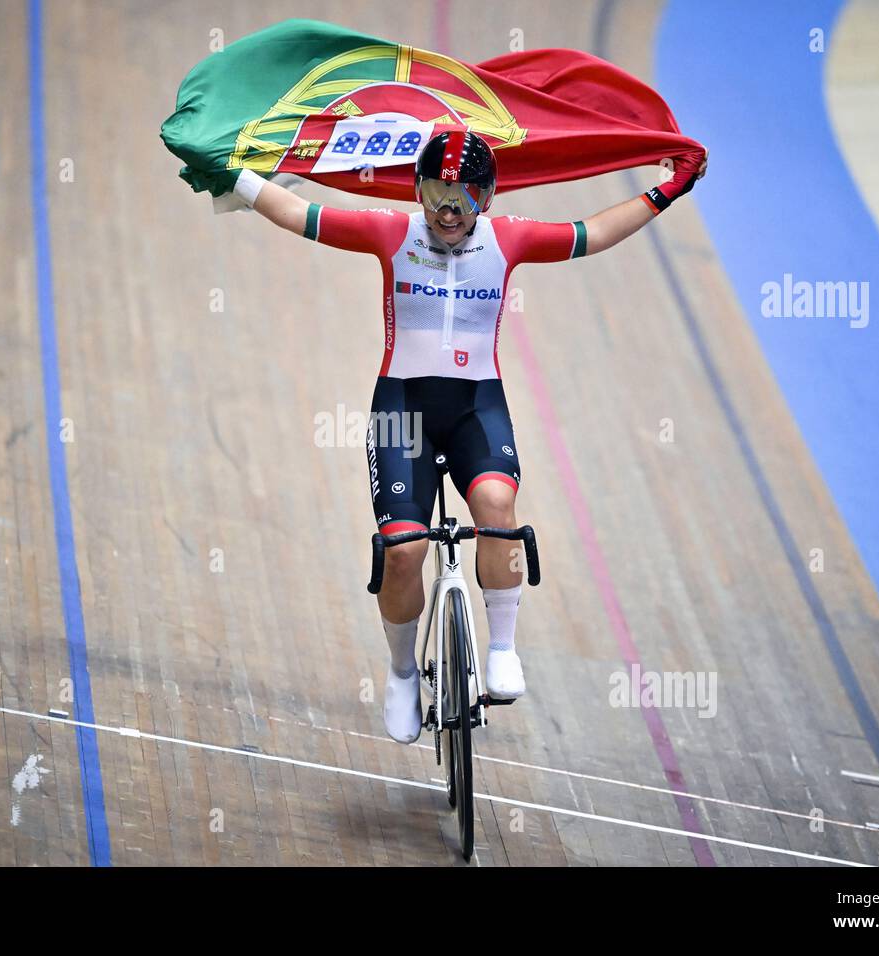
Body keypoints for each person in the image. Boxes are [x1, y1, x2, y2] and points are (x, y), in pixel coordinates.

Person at [230, 130, 707, 743]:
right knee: (403, 551)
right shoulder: (391, 233)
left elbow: (592, 234)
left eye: (463, 198)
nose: (448, 213)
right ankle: (403, 674)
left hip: (475, 407)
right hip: (403, 410)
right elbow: (298, 213)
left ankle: (503, 645)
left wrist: (667, 190)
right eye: (434, 195)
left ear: (487, 197)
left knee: (497, 507)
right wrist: (232, 174)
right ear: (417, 192)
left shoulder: (508, 240)